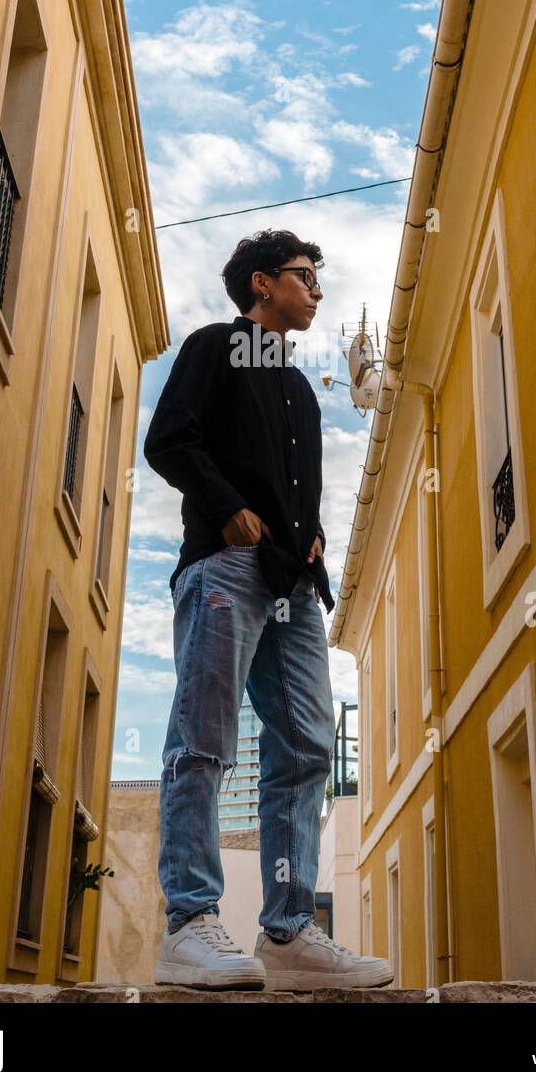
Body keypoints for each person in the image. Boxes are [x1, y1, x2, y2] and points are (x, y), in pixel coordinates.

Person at [143, 229, 393, 992]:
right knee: (203, 739)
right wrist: (226, 510)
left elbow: (298, 492)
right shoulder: (215, 346)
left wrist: (312, 537)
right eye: (303, 276)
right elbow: (169, 440)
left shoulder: (298, 390)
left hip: (293, 586)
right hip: (225, 569)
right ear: (262, 283)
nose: (316, 289)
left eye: (317, 278)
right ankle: (189, 924)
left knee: (308, 748)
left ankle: (285, 934)